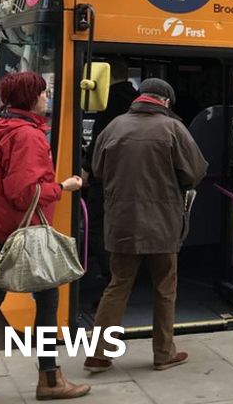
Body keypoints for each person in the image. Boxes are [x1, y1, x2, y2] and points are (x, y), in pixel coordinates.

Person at [0, 72, 90, 402]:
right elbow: (25, 193)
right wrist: (64, 187)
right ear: (29, 97)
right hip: (24, 233)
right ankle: (50, 379)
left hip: (2, 230)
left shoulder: (0, 131)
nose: (46, 97)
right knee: (47, 301)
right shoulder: (27, 136)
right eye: (42, 92)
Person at [84, 78, 208, 374]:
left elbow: (97, 171)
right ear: (165, 101)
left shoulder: (113, 126)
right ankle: (163, 353)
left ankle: (99, 354)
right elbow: (194, 172)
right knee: (165, 288)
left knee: (117, 285)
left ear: (140, 98)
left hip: (121, 221)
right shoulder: (173, 129)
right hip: (162, 224)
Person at [82, 59, 137, 301]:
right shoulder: (134, 100)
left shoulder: (111, 100)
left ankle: (112, 283)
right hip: (129, 178)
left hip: (107, 179)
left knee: (99, 229)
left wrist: (86, 169)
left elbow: (100, 141)